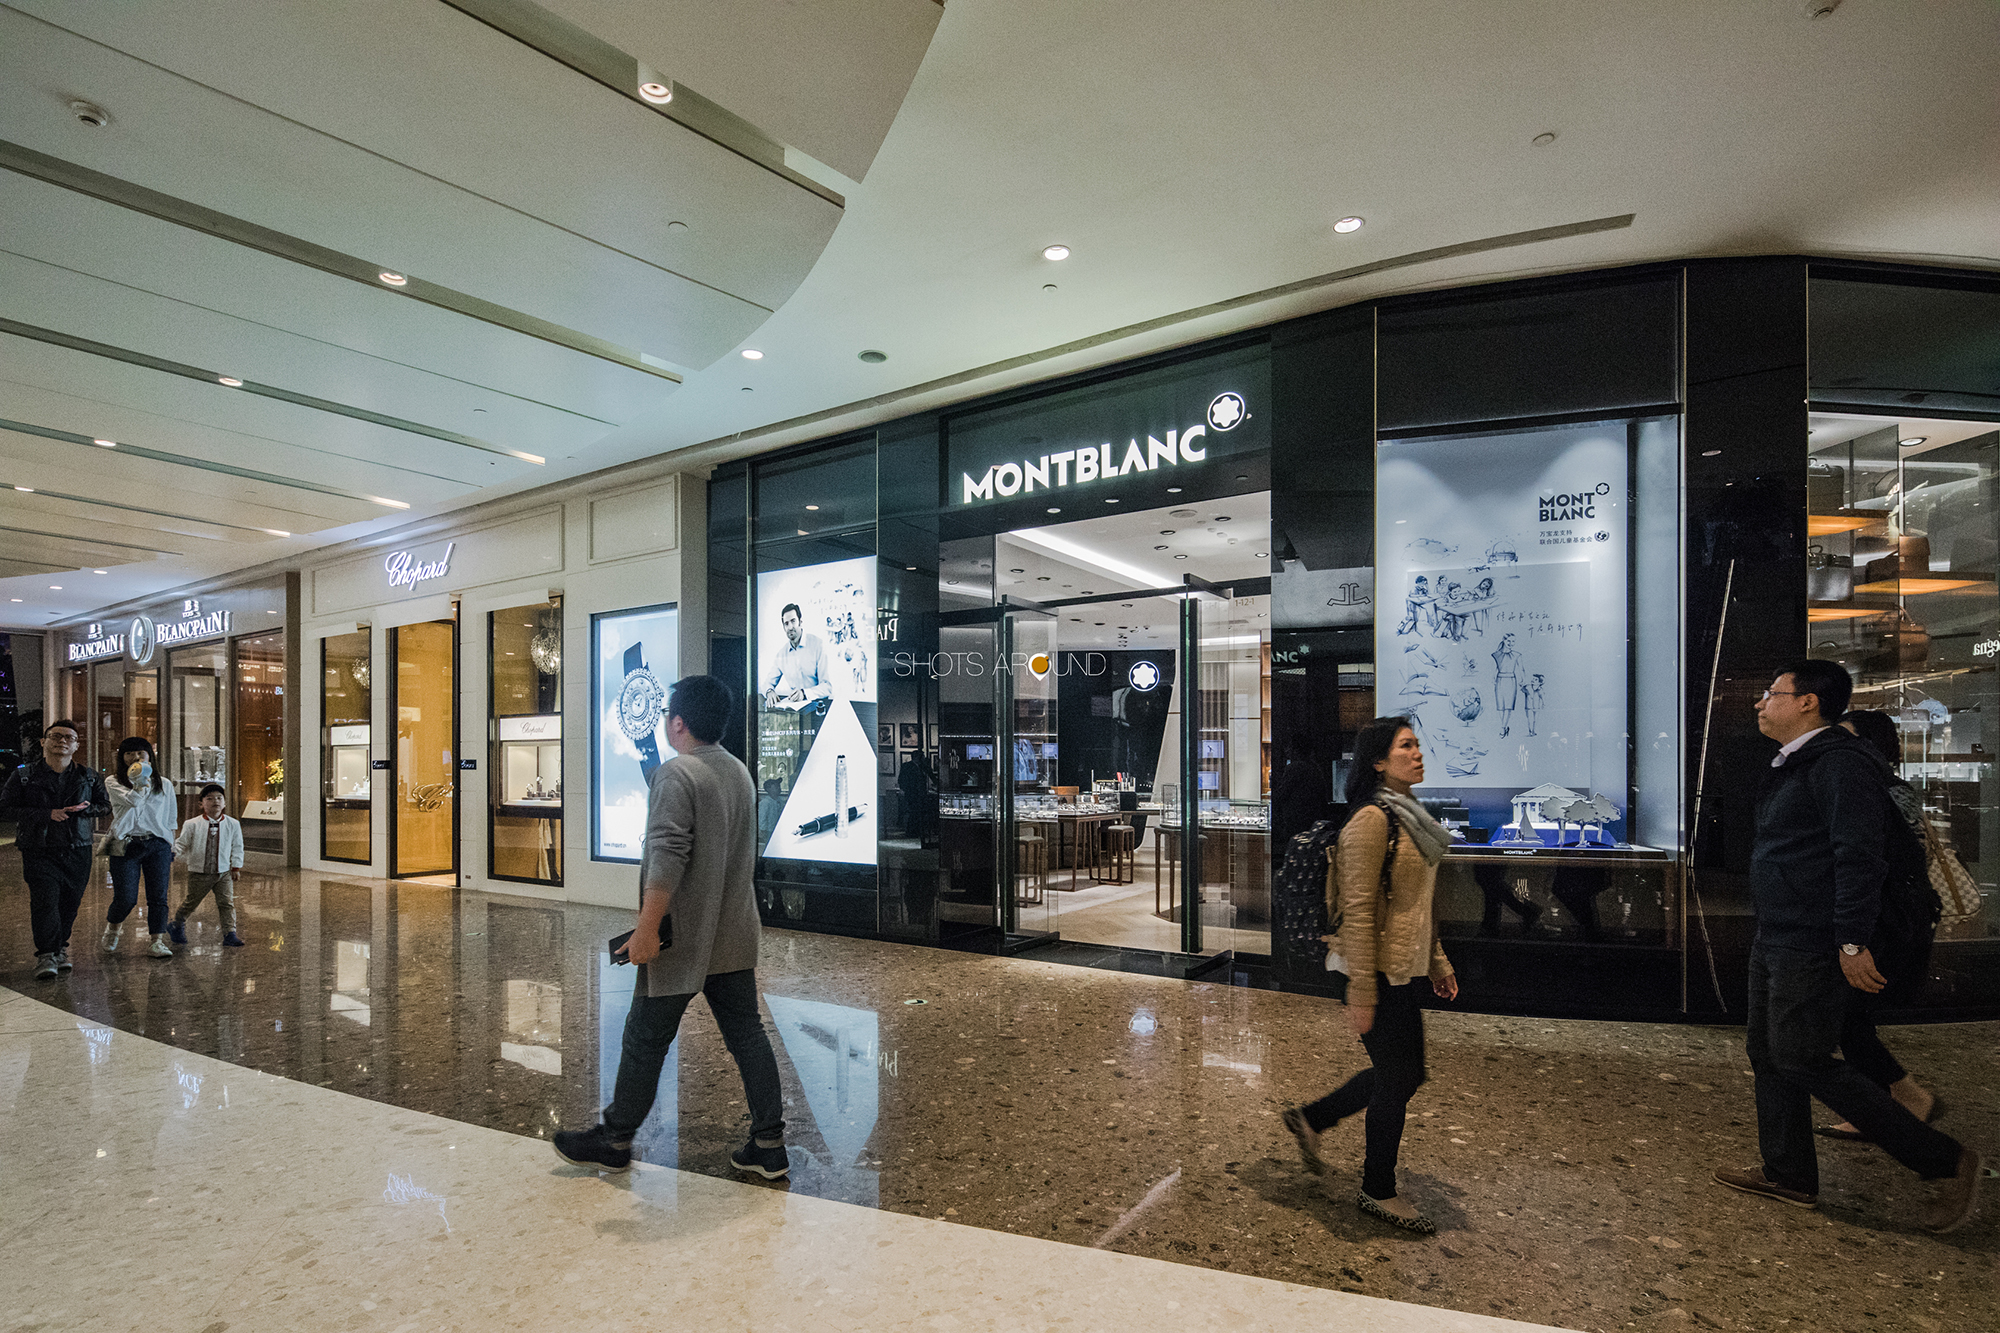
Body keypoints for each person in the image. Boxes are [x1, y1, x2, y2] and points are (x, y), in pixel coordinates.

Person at [1713, 661, 1983, 1232]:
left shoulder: (1839, 765)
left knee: (1803, 1057)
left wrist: (1852, 941)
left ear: (1808, 703)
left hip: (1813, 940)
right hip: (1782, 931)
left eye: (1772, 694)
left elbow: (1858, 856)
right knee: (1768, 1052)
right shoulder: (1800, 761)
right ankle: (1787, 1172)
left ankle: (1943, 1162)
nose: (1761, 704)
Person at [554, 675, 788, 1179]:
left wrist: (646, 928)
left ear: (677, 723)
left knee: (644, 1038)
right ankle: (769, 1143)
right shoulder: (739, 774)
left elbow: (667, 855)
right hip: (734, 933)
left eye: (666, 717)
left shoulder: (677, 773)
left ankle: (615, 1139)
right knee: (748, 1034)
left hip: (684, 937)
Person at [1281, 715, 1458, 1234]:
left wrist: (1438, 963)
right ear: (1379, 761)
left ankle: (1311, 1119)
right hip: (1371, 971)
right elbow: (1358, 910)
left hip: (1401, 967)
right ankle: (1377, 1188)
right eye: (1406, 746)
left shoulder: (1411, 817)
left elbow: (1414, 908)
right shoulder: (1372, 821)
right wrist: (1361, 993)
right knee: (1399, 1076)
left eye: (1418, 744)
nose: (1418, 753)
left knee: (1402, 1074)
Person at [1815, 709, 1938, 1140]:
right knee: (1852, 1018)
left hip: (1883, 921)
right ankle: (1886, 1104)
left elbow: (1868, 861)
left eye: (1845, 737)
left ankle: (1904, 1100)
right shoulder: (1887, 786)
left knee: (1848, 1019)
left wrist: (1853, 938)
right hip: (1886, 917)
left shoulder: (1880, 789)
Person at [0, 719, 110, 980]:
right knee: (45, 900)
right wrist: (46, 814)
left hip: (78, 847)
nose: (62, 741)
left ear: (76, 746)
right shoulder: (24, 775)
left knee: (70, 902)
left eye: (69, 738)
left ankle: (60, 948)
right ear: (43, 742)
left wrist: (86, 810)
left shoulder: (89, 775)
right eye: (56, 736)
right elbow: (5, 808)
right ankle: (46, 954)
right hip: (39, 848)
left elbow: (104, 806)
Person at [102, 736, 180, 958]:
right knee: (126, 898)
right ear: (122, 757)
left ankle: (157, 941)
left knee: (158, 897)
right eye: (129, 754)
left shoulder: (164, 783)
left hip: (157, 844)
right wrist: (139, 780)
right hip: (126, 844)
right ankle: (113, 927)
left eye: (141, 753)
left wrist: (171, 843)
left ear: (150, 755)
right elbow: (134, 802)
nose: (135, 757)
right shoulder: (113, 781)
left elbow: (171, 816)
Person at [170, 784, 246, 948]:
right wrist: (174, 853)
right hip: (199, 872)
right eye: (209, 799)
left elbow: (237, 846)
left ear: (224, 803)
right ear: (201, 804)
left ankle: (229, 933)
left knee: (226, 903)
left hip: (223, 872)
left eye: (219, 798)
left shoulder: (233, 824)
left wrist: (236, 867)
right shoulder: (192, 824)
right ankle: (177, 923)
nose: (215, 802)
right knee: (192, 902)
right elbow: (182, 843)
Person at [760, 603, 830, 707]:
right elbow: (766, 683)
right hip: (796, 714)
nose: (790, 627)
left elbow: (827, 687)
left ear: (800, 622)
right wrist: (769, 691)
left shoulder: (818, 645)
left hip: (819, 710)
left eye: (793, 621)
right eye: (786, 623)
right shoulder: (782, 654)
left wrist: (804, 693)